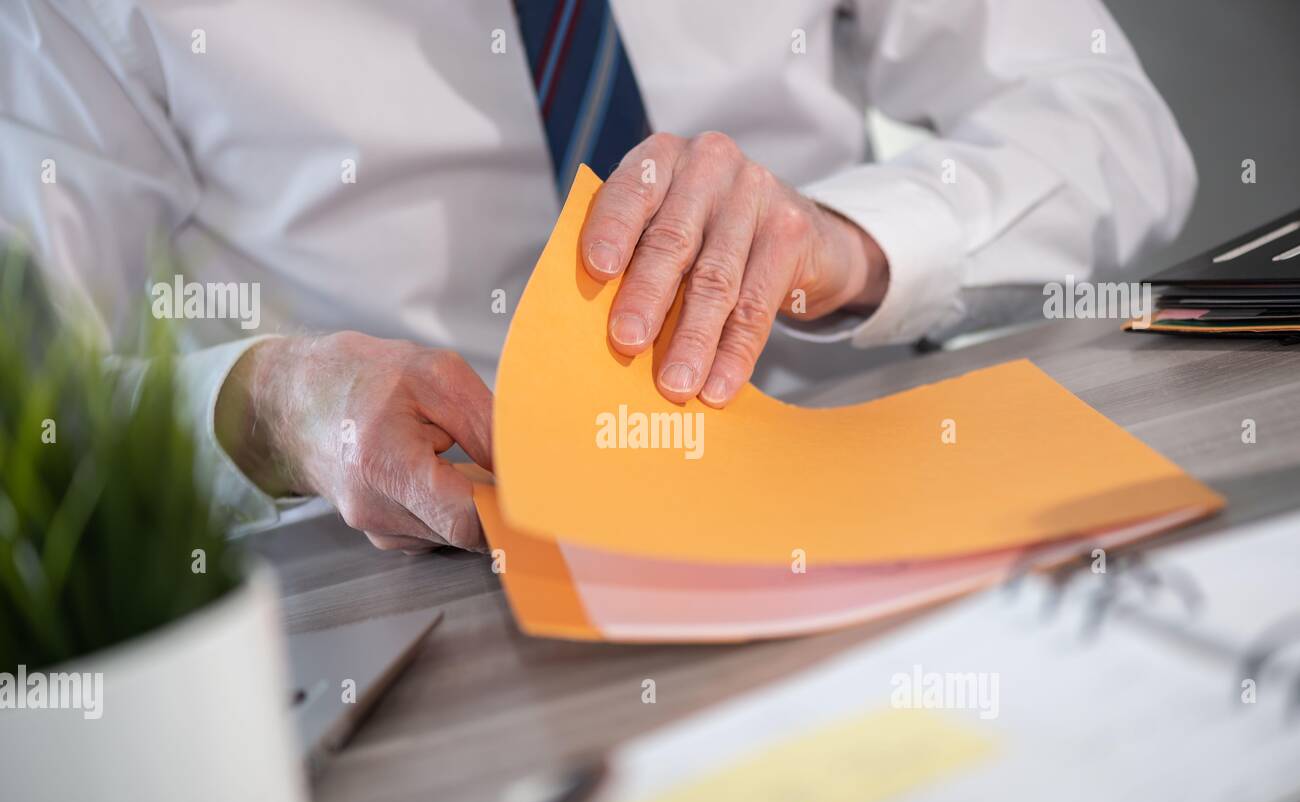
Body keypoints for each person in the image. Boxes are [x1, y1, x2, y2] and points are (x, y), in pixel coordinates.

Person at [0, 0, 1195, 552]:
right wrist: (256, 408)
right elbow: (29, 400)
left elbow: (1111, 119)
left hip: (855, 484)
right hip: (413, 583)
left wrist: (847, 237)